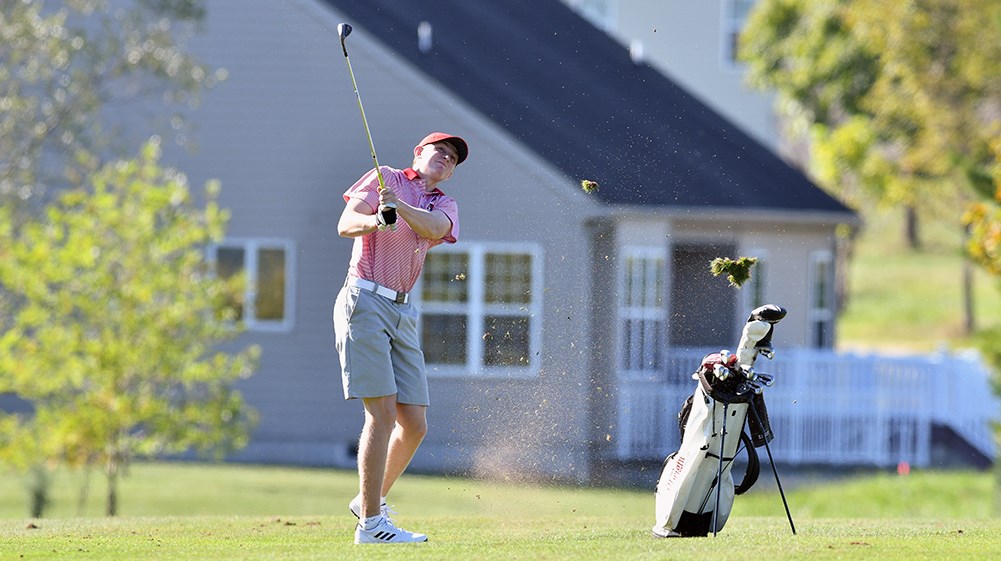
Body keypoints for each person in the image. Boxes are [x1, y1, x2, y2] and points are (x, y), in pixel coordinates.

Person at [333, 132, 468, 544]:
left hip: (403, 310)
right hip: (365, 299)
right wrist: (378, 218)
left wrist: (399, 208)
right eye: (439, 151)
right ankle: (371, 525)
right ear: (418, 153)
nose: (445, 159)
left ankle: (368, 500)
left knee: (414, 424)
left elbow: (434, 227)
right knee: (382, 413)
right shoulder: (385, 177)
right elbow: (346, 225)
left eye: (452, 158)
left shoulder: (443, 204)